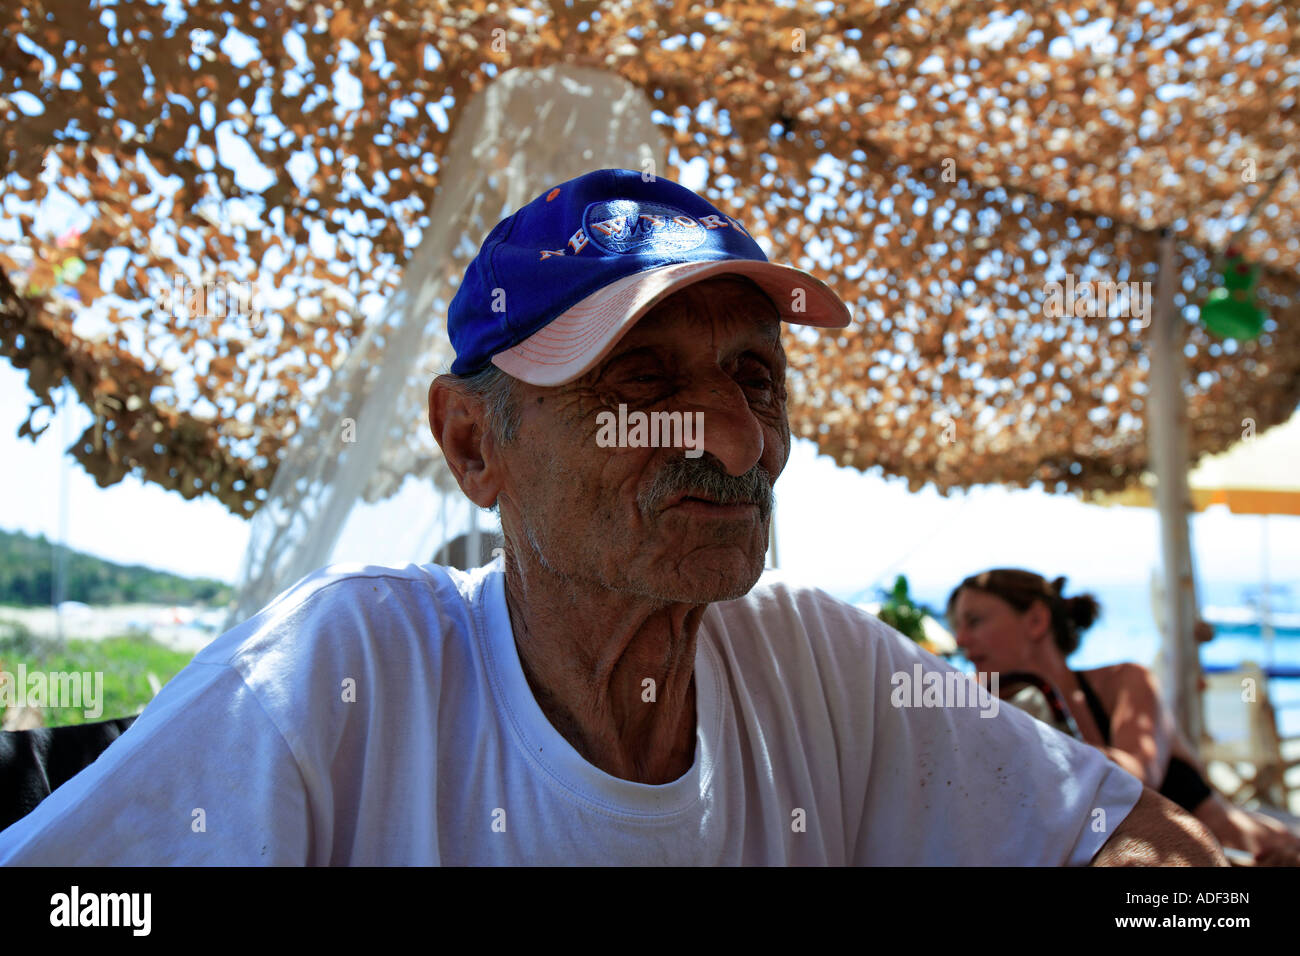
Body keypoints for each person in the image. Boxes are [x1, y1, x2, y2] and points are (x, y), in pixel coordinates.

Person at [0, 170, 1221, 865]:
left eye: (755, 380)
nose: (734, 440)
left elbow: (1149, 857)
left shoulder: (820, 665)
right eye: (638, 386)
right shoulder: (342, 673)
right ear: (476, 444)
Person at [948, 567, 1300, 866]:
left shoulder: (1125, 682)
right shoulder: (983, 708)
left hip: (1255, 853)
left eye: (974, 621)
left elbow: (1133, 777)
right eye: (957, 626)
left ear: (1038, 620)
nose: (960, 639)